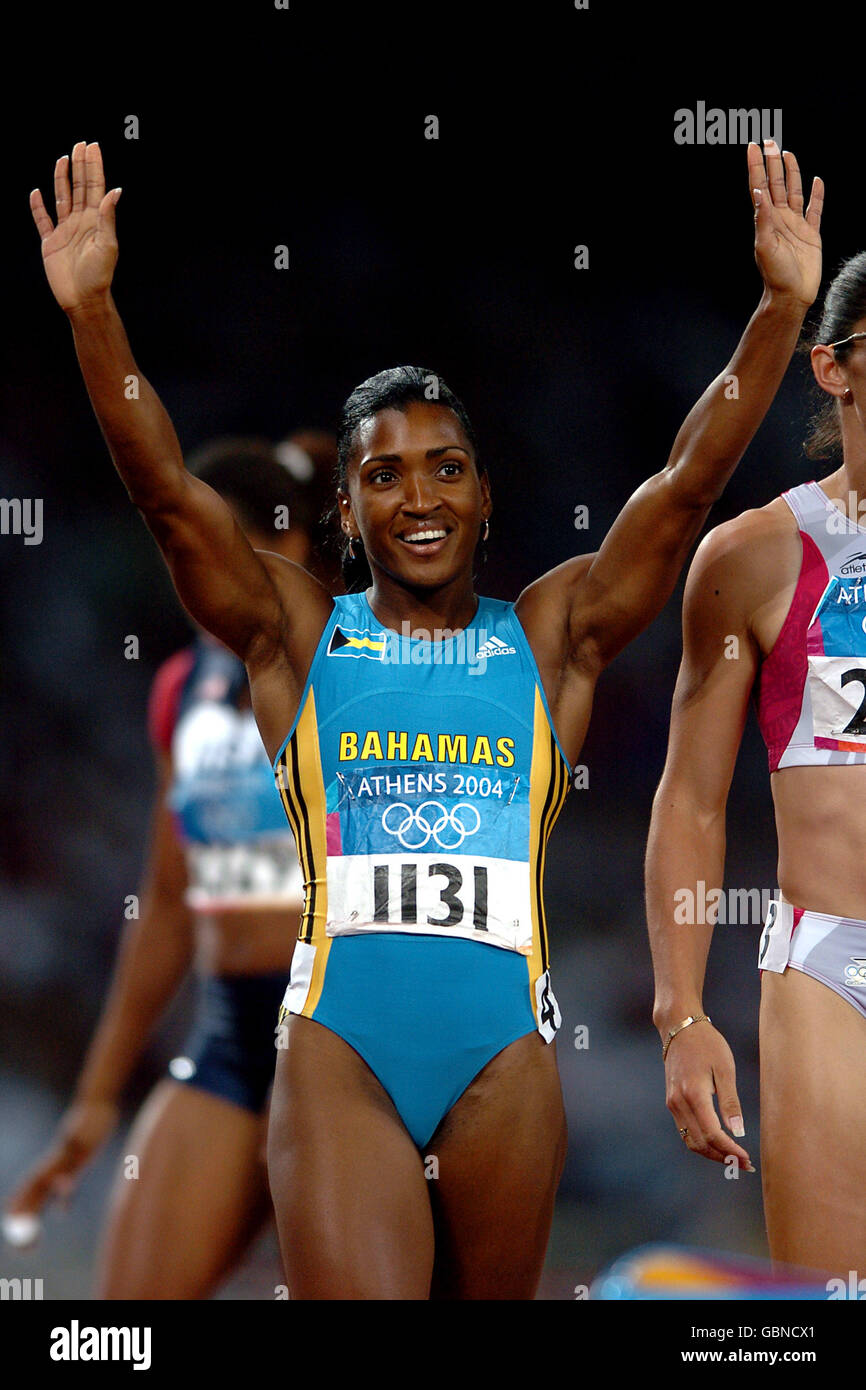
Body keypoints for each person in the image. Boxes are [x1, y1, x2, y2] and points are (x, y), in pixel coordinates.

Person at [28, 136, 820, 1298]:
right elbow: (165, 493)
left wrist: (778, 308)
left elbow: (683, 487)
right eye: (385, 475)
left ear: (483, 492)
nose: (419, 497)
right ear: (346, 509)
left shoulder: (551, 632)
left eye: (445, 468)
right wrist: (93, 310)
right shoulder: (295, 632)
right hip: (339, 1047)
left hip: (504, 1052)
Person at [4, 437, 330, 1298]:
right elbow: (168, 898)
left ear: (290, 548)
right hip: (230, 1035)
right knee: (126, 1325)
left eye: (209, 541)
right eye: (176, 546)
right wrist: (97, 1097)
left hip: (348, 1040)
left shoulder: (353, 663)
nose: (190, 569)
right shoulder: (181, 690)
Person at [640, 222, 866, 1280]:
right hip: (828, 965)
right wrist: (679, 1010)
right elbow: (688, 801)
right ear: (831, 366)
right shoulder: (755, 557)